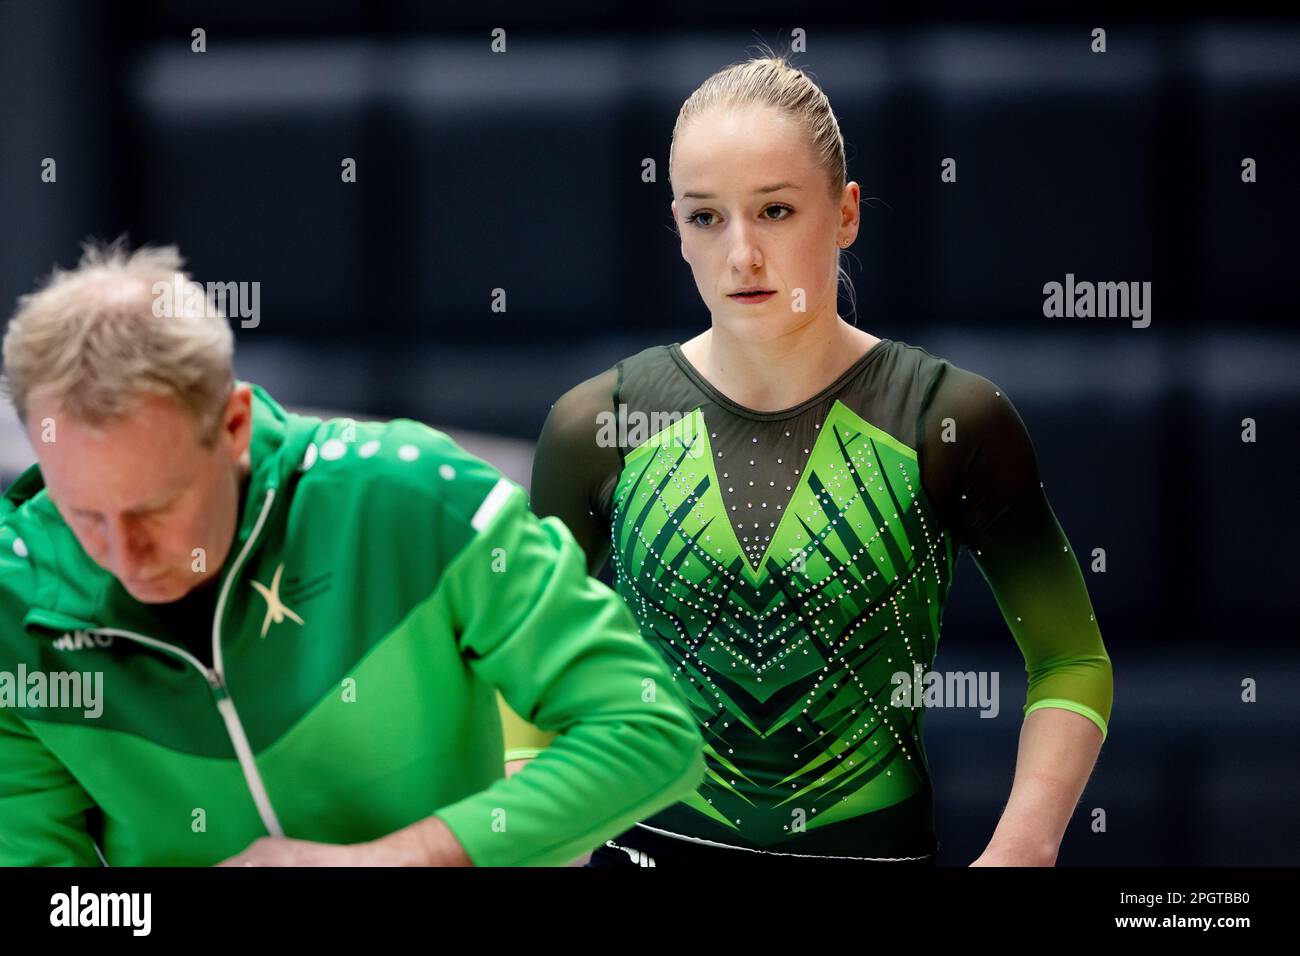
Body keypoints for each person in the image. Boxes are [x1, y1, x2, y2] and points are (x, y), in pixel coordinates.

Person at [515, 54, 1113, 867]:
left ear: (845, 213)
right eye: (705, 218)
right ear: (677, 225)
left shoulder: (949, 419)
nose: (742, 256)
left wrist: (1021, 850)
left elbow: (1071, 659)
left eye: (775, 210)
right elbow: (523, 657)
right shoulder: (601, 422)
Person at [0, 239, 704, 866]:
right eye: (83, 512)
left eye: (156, 507)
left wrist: (395, 861)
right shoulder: (13, 597)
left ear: (234, 423)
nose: (124, 554)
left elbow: (648, 732)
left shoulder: (412, 494)